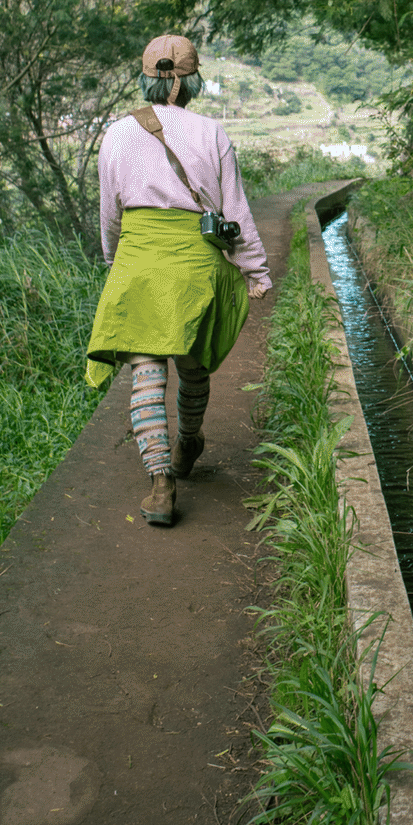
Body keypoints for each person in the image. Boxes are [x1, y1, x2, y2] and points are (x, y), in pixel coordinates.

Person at [85, 33, 271, 527]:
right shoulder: (212, 132)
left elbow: (110, 214)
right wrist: (255, 270)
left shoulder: (118, 133)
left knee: (146, 372)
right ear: (192, 81)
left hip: (140, 260)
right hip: (196, 264)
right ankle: (189, 443)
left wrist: (115, 260)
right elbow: (236, 210)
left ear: (147, 78)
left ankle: (160, 484)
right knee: (192, 366)